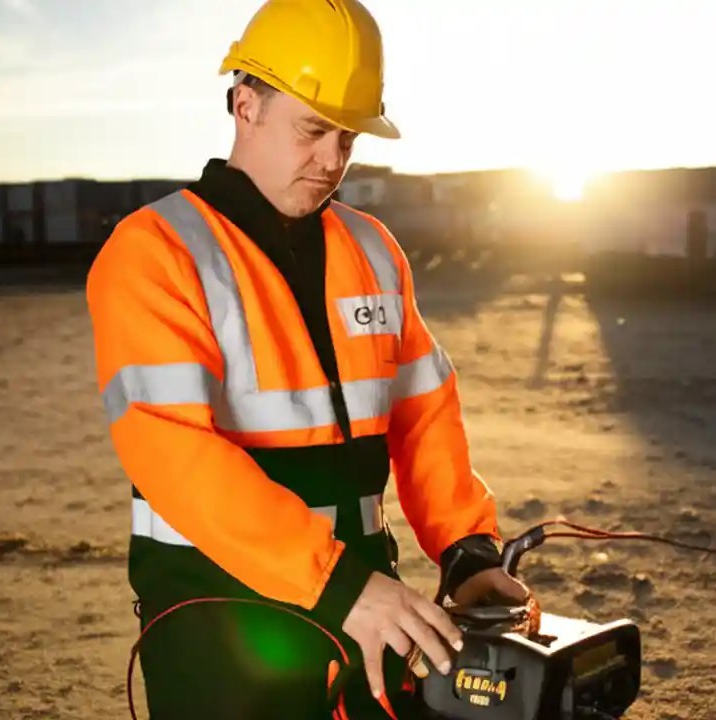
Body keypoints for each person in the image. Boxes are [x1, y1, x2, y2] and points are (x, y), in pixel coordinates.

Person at [85, 1, 529, 717]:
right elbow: (172, 451)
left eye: (347, 137)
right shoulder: (155, 251)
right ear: (245, 106)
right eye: (313, 130)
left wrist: (466, 550)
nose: (333, 160)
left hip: (364, 616)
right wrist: (337, 583)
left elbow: (423, 417)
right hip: (218, 627)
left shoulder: (373, 248)